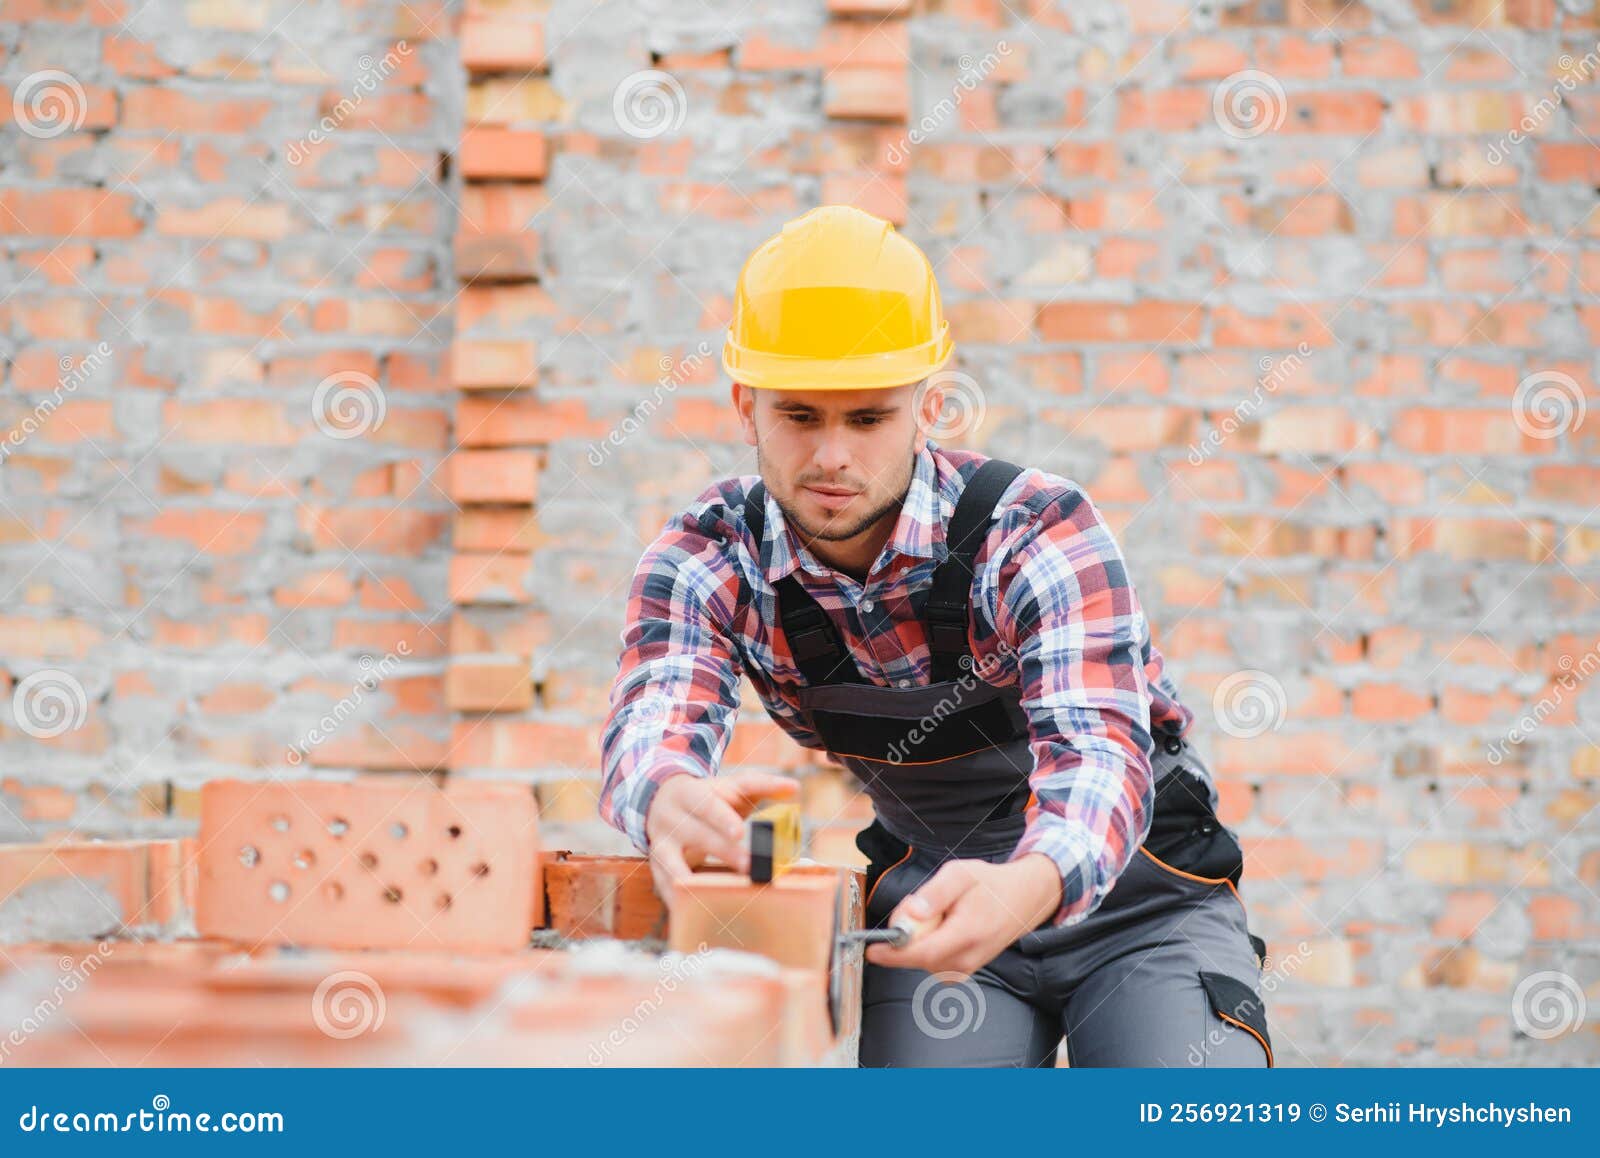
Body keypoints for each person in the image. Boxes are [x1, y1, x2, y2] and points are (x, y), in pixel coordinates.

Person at [598, 205, 1272, 1067]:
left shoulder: (1038, 530)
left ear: (929, 407)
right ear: (745, 405)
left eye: (869, 418)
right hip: (935, 905)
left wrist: (1028, 885)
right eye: (800, 416)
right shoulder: (708, 555)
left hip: (1143, 908)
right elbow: (652, 718)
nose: (832, 457)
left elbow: (1101, 754)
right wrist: (662, 796)